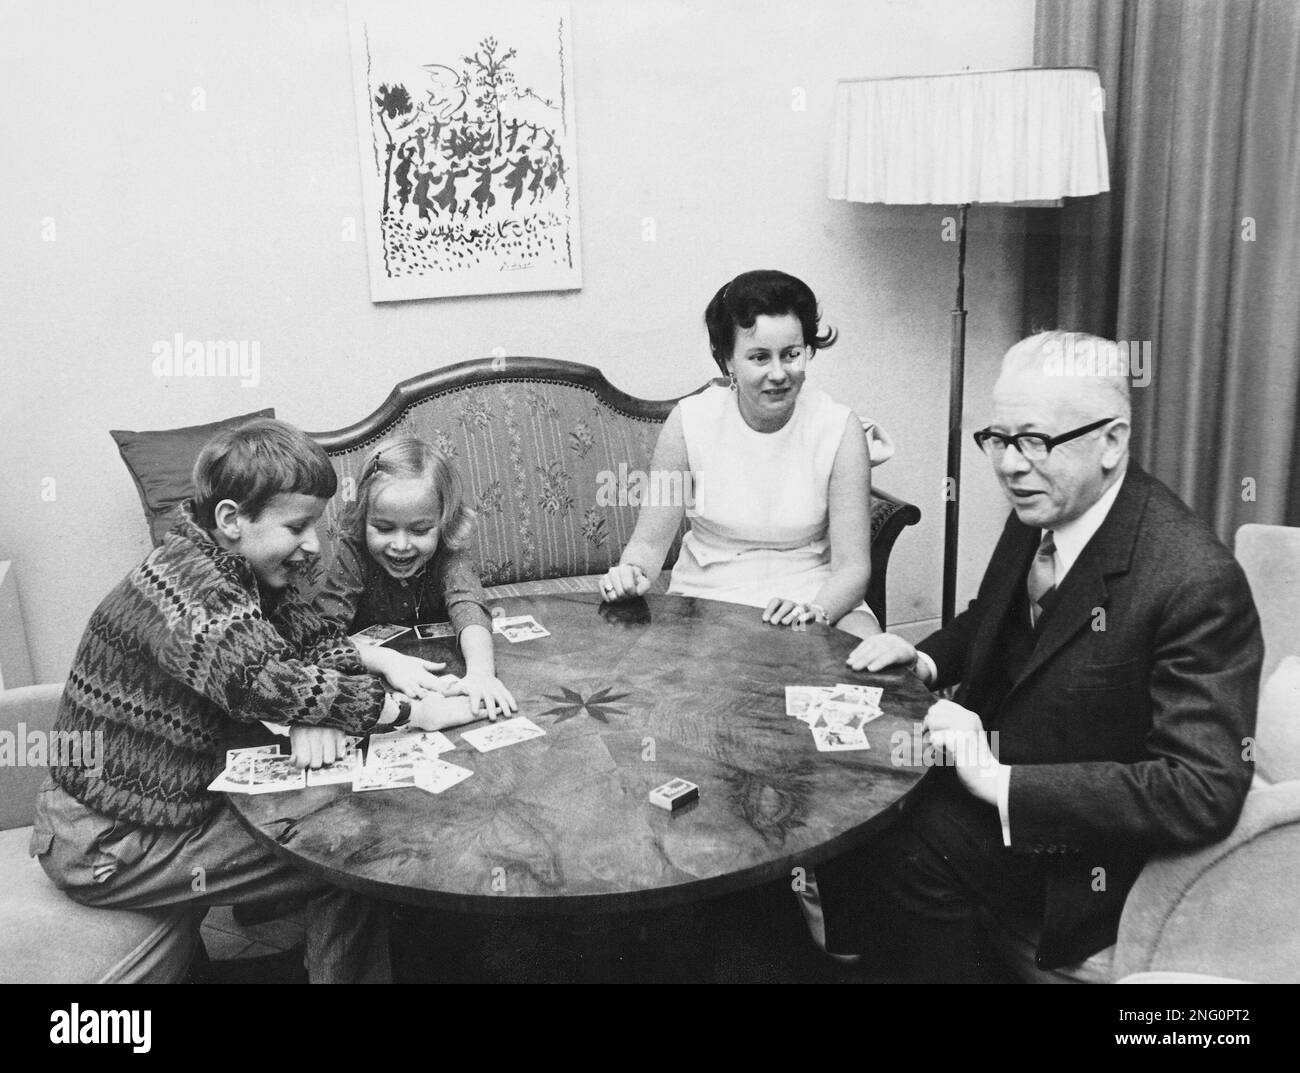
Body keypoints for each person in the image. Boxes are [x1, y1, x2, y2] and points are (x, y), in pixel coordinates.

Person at [818, 331, 1262, 981]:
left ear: (1111, 441)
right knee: (846, 793)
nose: (1008, 465)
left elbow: (1202, 789)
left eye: (1034, 440)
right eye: (998, 439)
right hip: (994, 776)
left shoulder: (1194, 579)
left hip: (1077, 854)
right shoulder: (1046, 499)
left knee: (899, 846)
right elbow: (986, 619)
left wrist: (996, 779)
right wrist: (925, 660)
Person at [29, 418, 469, 983]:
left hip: (136, 816)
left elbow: (306, 635)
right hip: (107, 844)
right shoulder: (198, 594)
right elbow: (267, 681)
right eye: (299, 526)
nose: (314, 545)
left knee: (344, 820)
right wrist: (416, 713)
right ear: (232, 519)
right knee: (353, 855)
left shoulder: (225, 563)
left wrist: (364, 671)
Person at [599, 269, 883, 640]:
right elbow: (648, 545)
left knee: (876, 672)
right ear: (728, 361)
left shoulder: (839, 427)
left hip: (814, 596)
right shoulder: (690, 422)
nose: (779, 373)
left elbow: (852, 568)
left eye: (792, 354)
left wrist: (814, 612)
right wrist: (631, 573)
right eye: (760, 357)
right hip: (710, 600)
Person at [315, 437, 517, 722]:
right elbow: (321, 635)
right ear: (363, 518)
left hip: (442, 670)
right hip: (376, 673)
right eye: (384, 528)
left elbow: (469, 605)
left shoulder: (449, 551)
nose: (400, 545)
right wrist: (386, 661)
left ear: (444, 523)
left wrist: (481, 674)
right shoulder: (354, 551)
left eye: (420, 530)